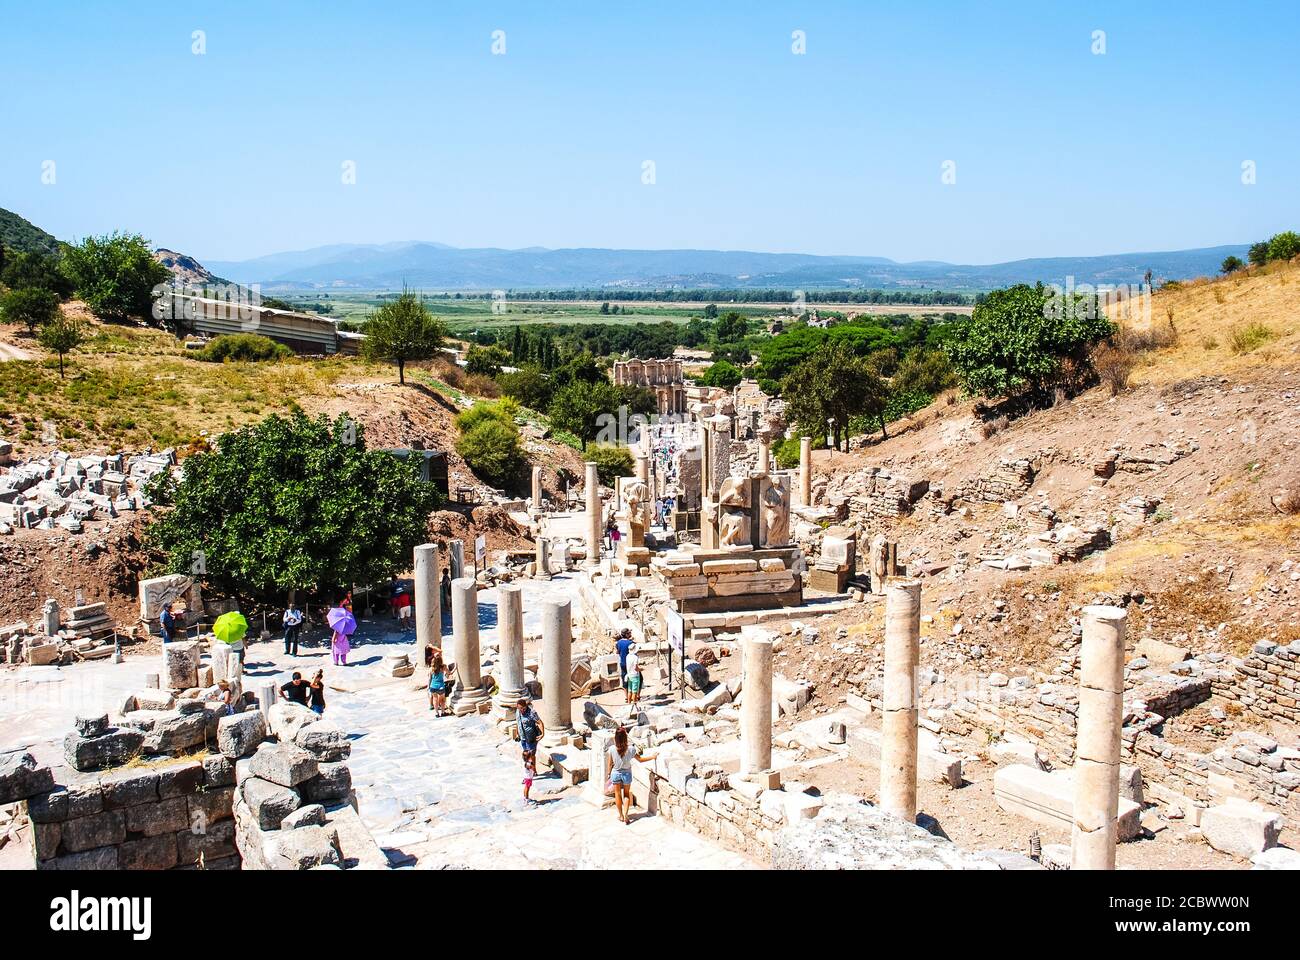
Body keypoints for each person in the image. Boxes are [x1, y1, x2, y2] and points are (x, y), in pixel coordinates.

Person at [607, 726, 655, 825]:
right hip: (627, 774)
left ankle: (620, 815)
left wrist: (608, 774)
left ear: (616, 738)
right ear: (625, 737)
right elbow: (640, 760)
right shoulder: (631, 749)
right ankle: (626, 815)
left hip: (615, 773)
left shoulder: (611, 749)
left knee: (617, 794)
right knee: (626, 794)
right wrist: (653, 757)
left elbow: (610, 764)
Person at [516, 697, 545, 805]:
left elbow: (540, 722)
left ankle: (534, 770)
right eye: (519, 709)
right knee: (526, 756)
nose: (521, 711)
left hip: (531, 738)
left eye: (523, 709)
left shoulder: (532, 712)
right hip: (523, 738)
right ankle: (529, 773)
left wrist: (543, 733)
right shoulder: (517, 712)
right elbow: (517, 723)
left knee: (531, 755)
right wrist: (517, 733)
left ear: (525, 706)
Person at [428, 651, 452, 716]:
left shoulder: (431, 669)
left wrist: (428, 687)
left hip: (432, 686)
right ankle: (443, 712)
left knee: (435, 699)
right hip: (440, 686)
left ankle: (436, 713)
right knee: (443, 700)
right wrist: (455, 668)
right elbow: (449, 673)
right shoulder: (443, 667)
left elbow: (429, 679)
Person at [615, 628, 634, 701]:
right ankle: (633, 696)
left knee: (624, 679)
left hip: (622, 663)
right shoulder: (630, 643)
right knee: (634, 679)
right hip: (630, 663)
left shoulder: (618, 642)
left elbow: (618, 652)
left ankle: (627, 697)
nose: (630, 634)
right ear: (626, 634)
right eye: (629, 633)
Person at [331, 598, 352, 666]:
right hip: (343, 639)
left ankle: (336, 662)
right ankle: (344, 662)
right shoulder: (346, 624)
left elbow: (335, 633)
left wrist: (333, 639)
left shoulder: (337, 626)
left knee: (336, 652)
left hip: (337, 640)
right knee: (343, 652)